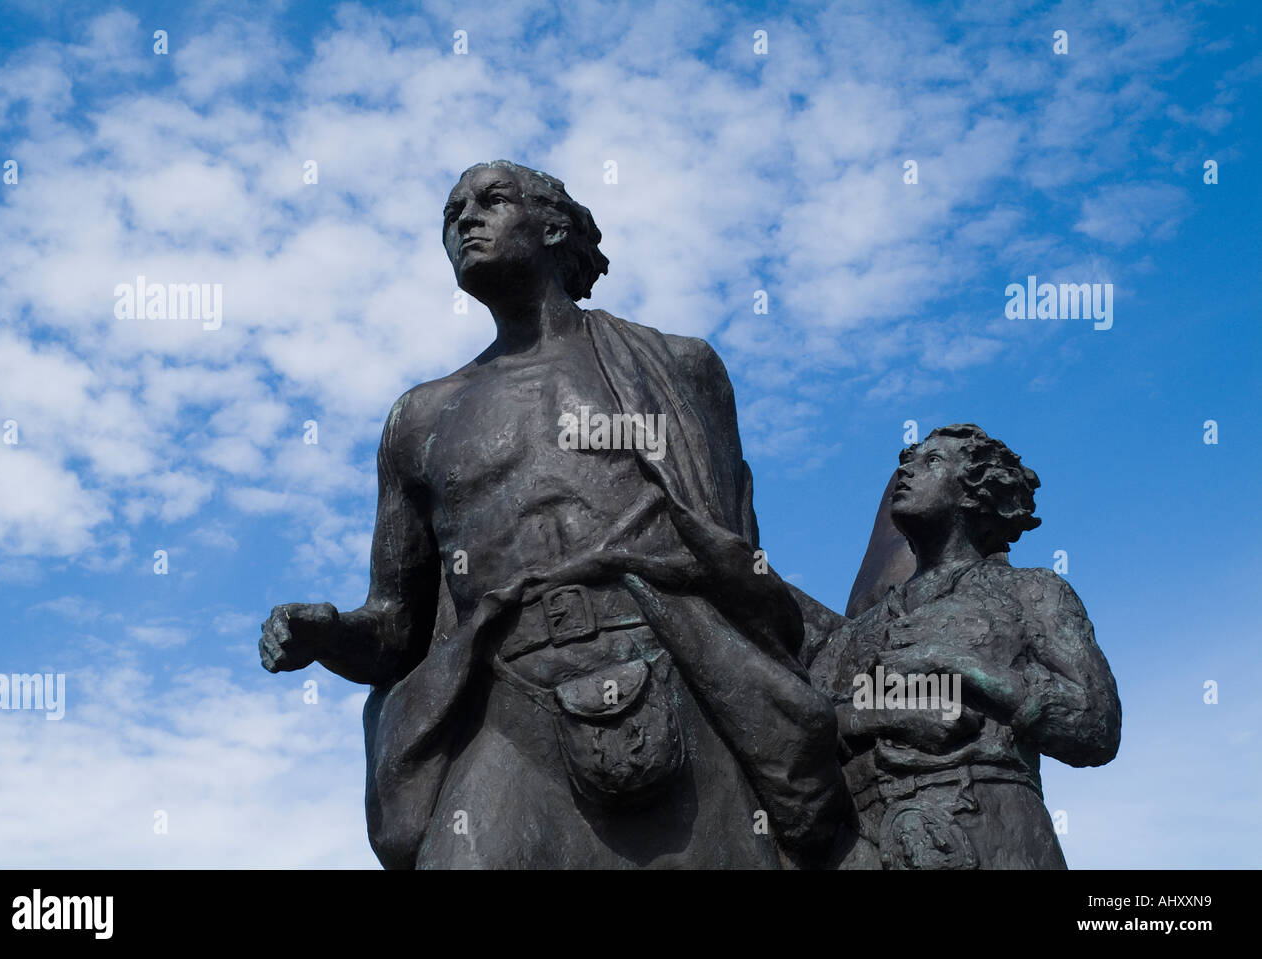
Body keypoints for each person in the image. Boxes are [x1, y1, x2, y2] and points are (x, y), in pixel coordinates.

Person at [260, 160, 849, 868]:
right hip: (509, 709)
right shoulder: (419, 419)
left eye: (491, 200)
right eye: (452, 213)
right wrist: (328, 631)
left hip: (676, 673)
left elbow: (736, 553)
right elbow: (398, 627)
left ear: (554, 224)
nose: (465, 220)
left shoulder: (680, 365)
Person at [808, 424, 1121, 869]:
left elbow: (1094, 725)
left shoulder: (1029, 591)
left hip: (993, 832)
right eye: (907, 462)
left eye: (931, 462)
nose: (907, 472)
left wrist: (957, 666)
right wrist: (890, 714)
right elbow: (811, 721)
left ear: (975, 492)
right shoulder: (856, 632)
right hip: (865, 844)